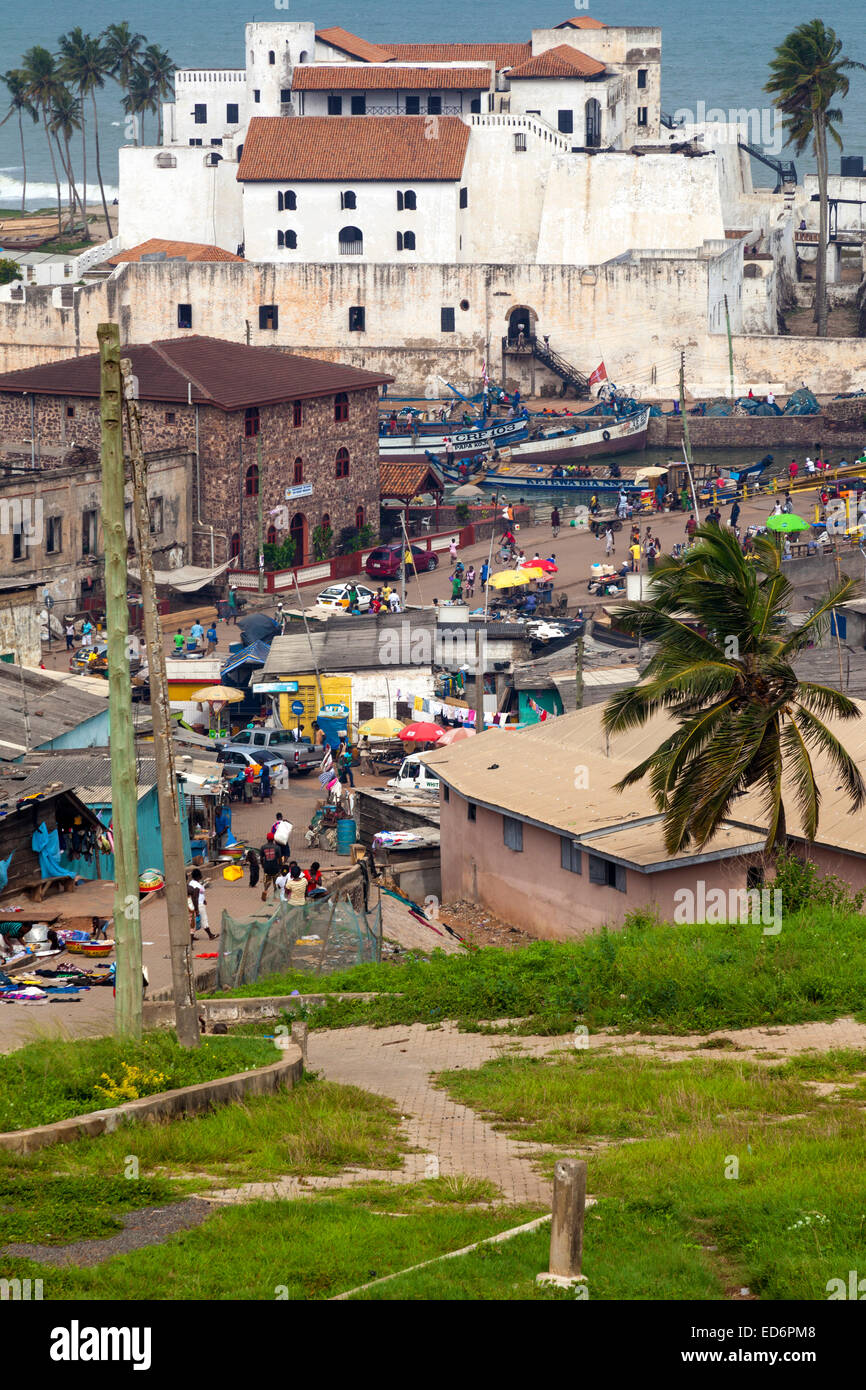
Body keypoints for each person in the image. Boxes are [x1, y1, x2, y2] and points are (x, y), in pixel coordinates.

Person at [260, 833, 282, 901]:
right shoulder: (277, 847)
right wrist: (280, 866)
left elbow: (261, 858)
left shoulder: (263, 847)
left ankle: (265, 890)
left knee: (267, 881)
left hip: (267, 867)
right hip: (275, 867)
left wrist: (263, 865)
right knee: (276, 882)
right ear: (273, 839)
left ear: (267, 839)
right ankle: (275, 895)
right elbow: (279, 858)